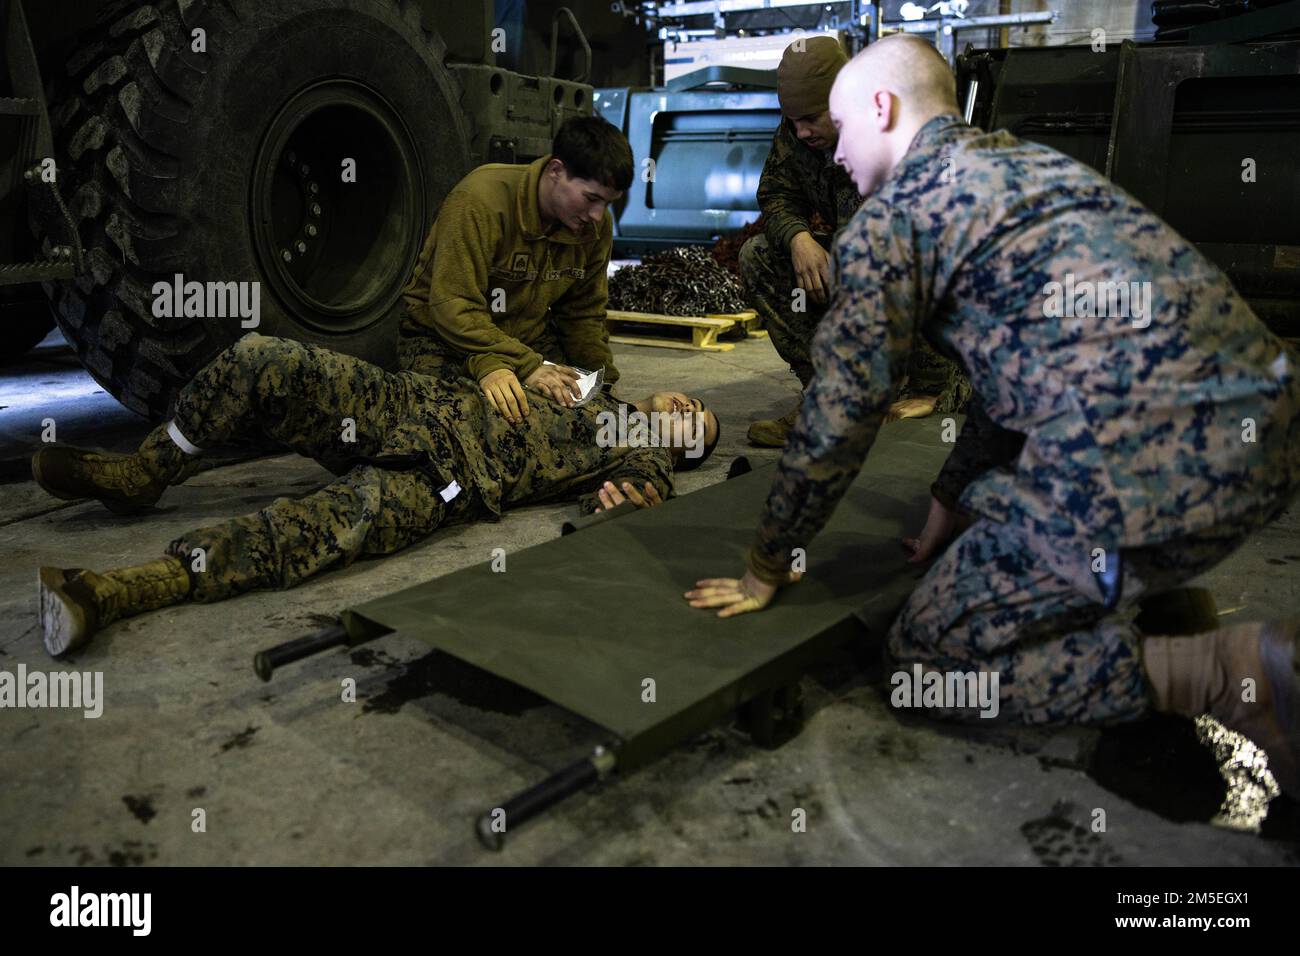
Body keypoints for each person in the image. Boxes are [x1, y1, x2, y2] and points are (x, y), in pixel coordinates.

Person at [686, 35, 1300, 795]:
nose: (836, 156)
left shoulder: (893, 219)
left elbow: (840, 413)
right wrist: (950, 495)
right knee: (987, 507)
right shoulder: (1029, 167)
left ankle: (1227, 675)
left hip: (1148, 460)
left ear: (881, 108)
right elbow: (1012, 378)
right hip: (1267, 438)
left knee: (929, 659)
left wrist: (765, 564)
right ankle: (1165, 607)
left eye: (840, 131)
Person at [33, 333, 718, 656]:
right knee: (263, 360)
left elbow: (638, 494)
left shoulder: (637, 442)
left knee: (314, 528)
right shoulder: (587, 381)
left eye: (696, 429)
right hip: (408, 401)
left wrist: (629, 501)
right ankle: (142, 476)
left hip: (449, 474)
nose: (686, 410)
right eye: (693, 404)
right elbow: (474, 339)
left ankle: (120, 589)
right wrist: (507, 366)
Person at [740, 35, 966, 447]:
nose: (801, 132)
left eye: (811, 118)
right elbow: (776, 194)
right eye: (792, 121)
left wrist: (945, 391)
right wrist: (798, 239)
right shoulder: (798, 131)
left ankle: (928, 389)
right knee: (759, 256)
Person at [399, 116, 632, 425]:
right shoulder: (479, 201)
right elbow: (453, 307)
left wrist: (605, 390)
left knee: (579, 415)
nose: (598, 215)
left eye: (609, 203)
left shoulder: (594, 226)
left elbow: (582, 315)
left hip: (523, 339)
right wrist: (523, 366)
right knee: (469, 419)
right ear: (556, 171)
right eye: (591, 198)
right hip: (441, 336)